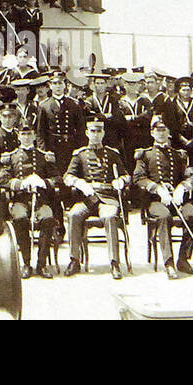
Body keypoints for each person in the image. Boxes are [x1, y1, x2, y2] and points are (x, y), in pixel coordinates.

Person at [132, 117, 193, 278]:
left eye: (164, 130)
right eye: (158, 130)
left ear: (169, 133)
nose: (161, 133)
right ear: (152, 133)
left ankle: (183, 259)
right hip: (156, 201)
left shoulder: (179, 155)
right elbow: (138, 179)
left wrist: (181, 188)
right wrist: (157, 189)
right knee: (164, 217)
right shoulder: (145, 155)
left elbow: (192, 176)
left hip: (177, 199)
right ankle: (168, 262)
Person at [62, 115, 129, 280]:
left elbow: (126, 175)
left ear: (103, 133)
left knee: (110, 216)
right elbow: (67, 176)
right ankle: (74, 260)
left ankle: (114, 262)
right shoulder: (80, 155)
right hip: (87, 197)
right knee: (73, 215)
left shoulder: (112, 154)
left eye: (99, 131)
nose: (96, 134)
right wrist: (79, 183)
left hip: (107, 198)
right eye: (92, 131)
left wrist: (120, 180)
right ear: (87, 133)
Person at [0, 121, 58, 278]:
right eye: (23, 134)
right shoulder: (10, 157)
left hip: (40, 200)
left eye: (29, 134)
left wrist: (43, 182)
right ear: (18, 136)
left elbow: (57, 178)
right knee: (20, 218)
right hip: (20, 200)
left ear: (34, 136)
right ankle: (26, 263)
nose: (26, 137)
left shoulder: (44, 156)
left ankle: (42, 264)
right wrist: (19, 184)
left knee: (48, 218)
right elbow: (2, 180)